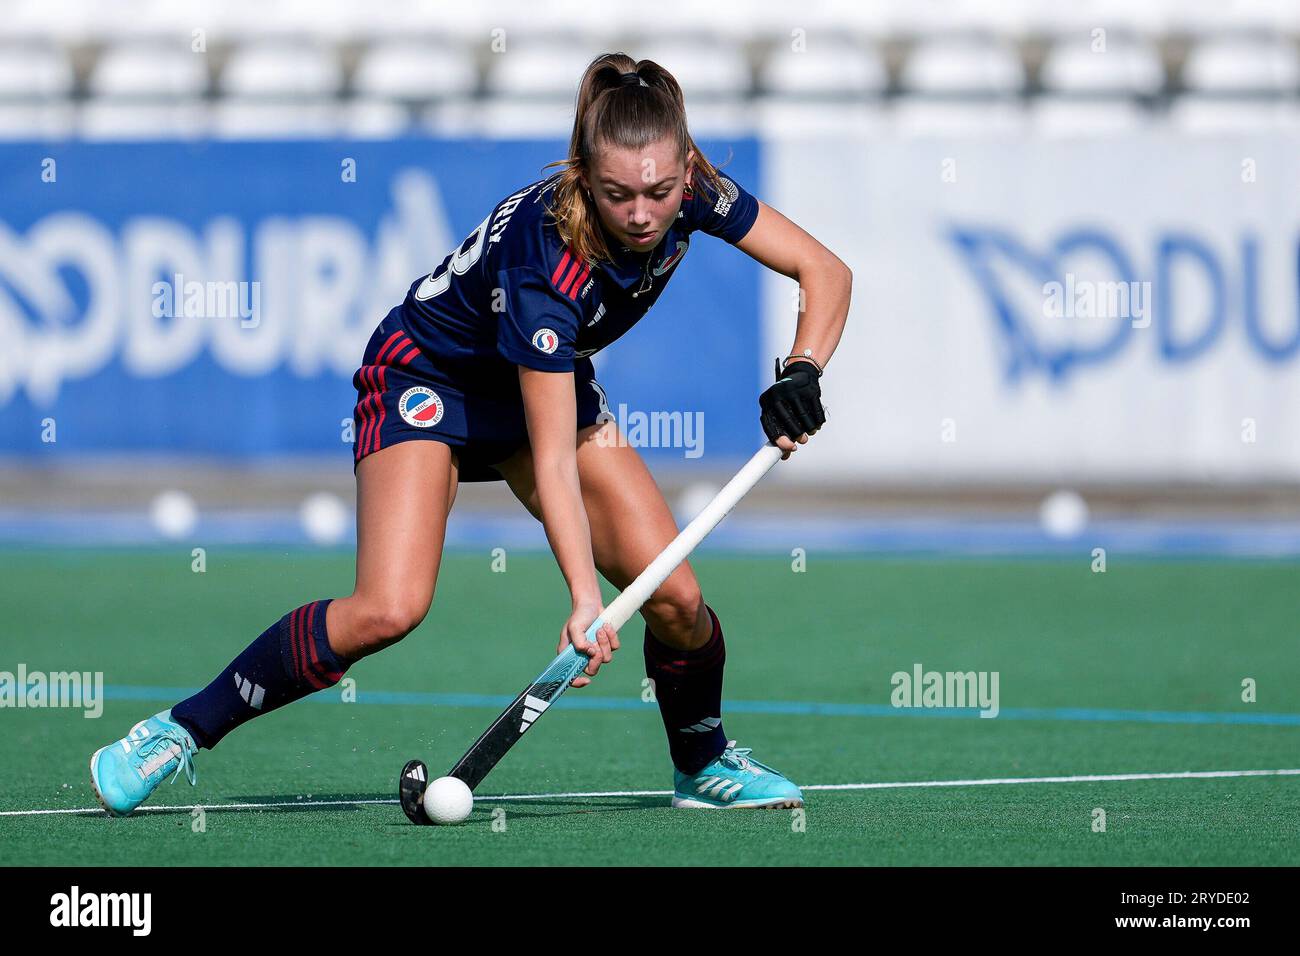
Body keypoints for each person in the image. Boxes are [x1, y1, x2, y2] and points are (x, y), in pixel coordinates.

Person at [89, 53, 851, 815]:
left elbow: (825, 271)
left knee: (676, 600)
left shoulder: (698, 191)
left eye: (659, 191)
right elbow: (552, 461)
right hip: (427, 381)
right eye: (619, 195)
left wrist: (801, 372)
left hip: (538, 387)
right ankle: (178, 730)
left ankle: (702, 764)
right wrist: (584, 598)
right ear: (585, 177)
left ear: (686, 169)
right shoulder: (548, 264)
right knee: (389, 607)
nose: (645, 214)